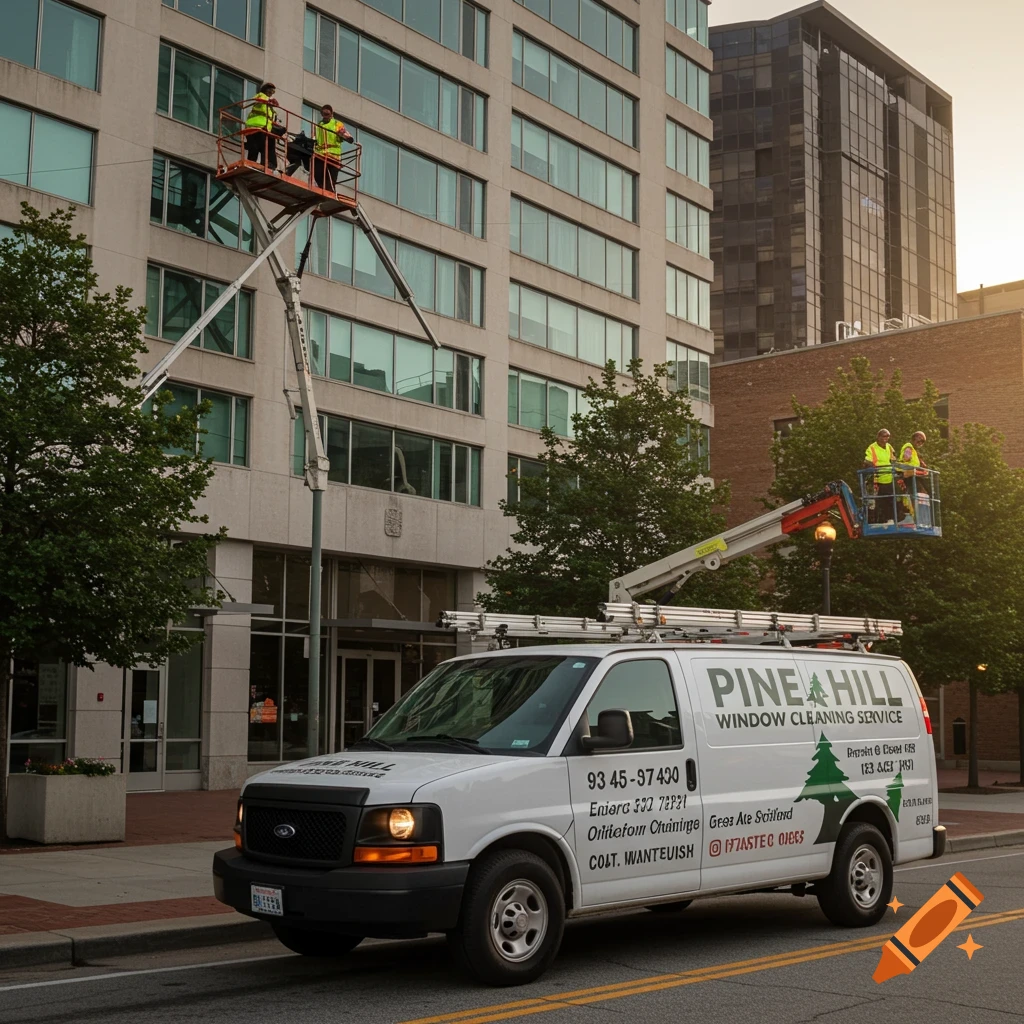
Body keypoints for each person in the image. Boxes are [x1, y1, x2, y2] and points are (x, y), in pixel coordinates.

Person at [312, 104, 353, 192]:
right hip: (321, 155)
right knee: (318, 174)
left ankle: (329, 191)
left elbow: (345, 134)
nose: (326, 115)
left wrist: (347, 138)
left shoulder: (336, 124)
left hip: (333, 156)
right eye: (324, 114)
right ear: (322, 114)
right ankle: (322, 189)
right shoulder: (318, 125)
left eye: (328, 114)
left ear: (331, 114)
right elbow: (315, 138)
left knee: (331, 179)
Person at [244, 82, 284, 170]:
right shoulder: (261, 96)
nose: (270, 92)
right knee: (269, 144)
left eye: (272, 91)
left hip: (254, 127)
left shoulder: (267, 104)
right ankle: (269, 164)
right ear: (264, 90)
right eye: (269, 90)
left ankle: (251, 163)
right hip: (259, 126)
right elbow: (260, 99)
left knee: (254, 147)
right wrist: (269, 101)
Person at [864, 428, 897, 524]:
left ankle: (889, 519)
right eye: (884, 436)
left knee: (889, 499)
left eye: (888, 436)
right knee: (874, 502)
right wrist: (873, 467)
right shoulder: (872, 448)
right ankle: (872, 521)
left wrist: (895, 466)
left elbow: (893, 459)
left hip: (888, 478)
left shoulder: (889, 447)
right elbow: (867, 460)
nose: (886, 438)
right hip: (876, 479)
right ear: (878, 437)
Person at [899, 431, 930, 520]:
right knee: (913, 495)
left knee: (922, 492)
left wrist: (921, 464)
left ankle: (917, 515)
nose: (920, 443)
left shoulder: (914, 450)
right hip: (908, 477)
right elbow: (906, 459)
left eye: (922, 442)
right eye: (919, 440)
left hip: (912, 476)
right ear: (914, 438)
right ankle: (913, 516)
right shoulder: (908, 448)